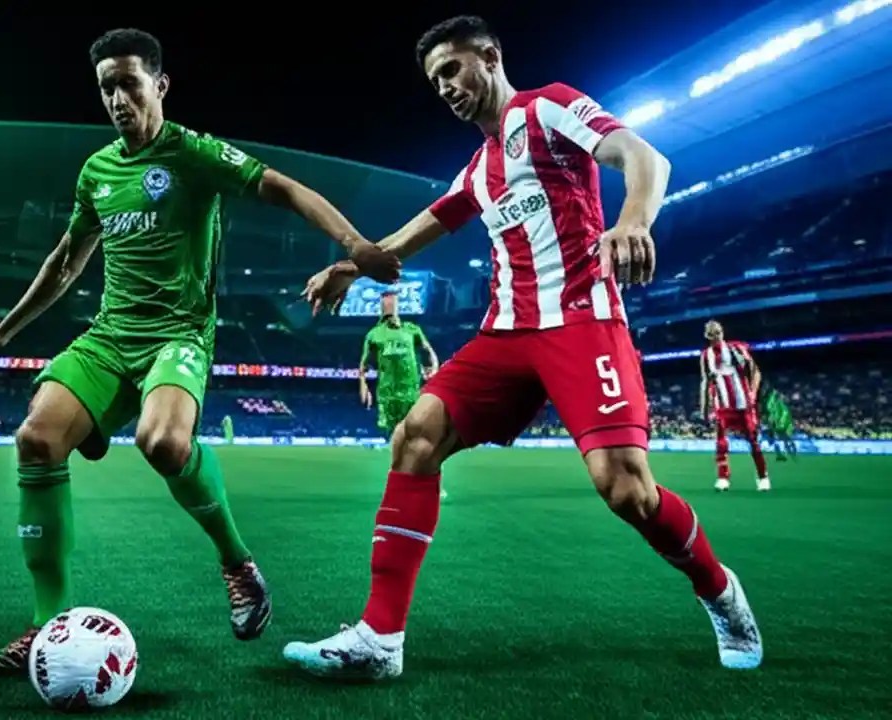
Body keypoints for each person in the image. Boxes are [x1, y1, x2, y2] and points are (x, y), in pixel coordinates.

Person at [284, 15, 761, 678]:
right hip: (505, 334)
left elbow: (646, 158)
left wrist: (631, 220)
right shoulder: (477, 170)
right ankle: (380, 639)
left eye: (453, 69)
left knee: (627, 491)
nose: (445, 88)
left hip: (582, 319)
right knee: (416, 433)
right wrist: (350, 265)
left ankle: (721, 592)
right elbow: (406, 240)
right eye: (434, 81)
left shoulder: (550, 108)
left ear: (489, 55)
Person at [0, 28, 400, 679]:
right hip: (110, 338)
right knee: (35, 439)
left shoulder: (191, 153)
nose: (116, 98)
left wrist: (354, 245)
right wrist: (7, 329)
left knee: (163, 443)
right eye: (106, 86)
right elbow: (64, 263)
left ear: (160, 85)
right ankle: (45, 626)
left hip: (178, 336)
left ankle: (236, 561)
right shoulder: (97, 171)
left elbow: (285, 188)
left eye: (129, 83)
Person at [359, 291, 444, 498]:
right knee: (397, 440)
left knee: (423, 438)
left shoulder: (412, 329)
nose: (388, 303)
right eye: (385, 301)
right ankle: (401, 483)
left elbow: (428, 349)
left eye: (392, 300)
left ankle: (429, 484)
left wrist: (434, 366)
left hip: (412, 393)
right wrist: (363, 386)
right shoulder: (374, 334)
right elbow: (362, 366)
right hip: (388, 396)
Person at [699, 320, 769, 492]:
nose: (716, 337)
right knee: (721, 442)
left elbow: (754, 371)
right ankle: (723, 477)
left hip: (743, 402)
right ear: (707, 336)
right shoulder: (705, 356)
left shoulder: (736, 349)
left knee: (753, 441)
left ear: (722, 332)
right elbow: (705, 382)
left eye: (718, 333)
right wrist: (704, 407)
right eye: (712, 335)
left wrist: (753, 392)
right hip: (722, 404)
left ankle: (762, 476)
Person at [759, 381, 797, 462]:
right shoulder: (772, 405)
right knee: (776, 440)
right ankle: (781, 453)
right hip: (772, 427)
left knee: (775, 440)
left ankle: (780, 453)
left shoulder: (774, 404)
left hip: (773, 426)